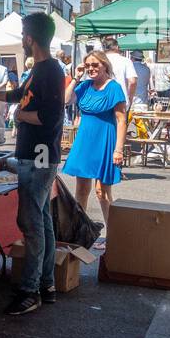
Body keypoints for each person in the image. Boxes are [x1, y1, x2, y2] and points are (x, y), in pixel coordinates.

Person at [0, 12, 65, 316]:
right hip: (35, 154)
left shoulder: (51, 71)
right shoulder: (40, 70)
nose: (22, 40)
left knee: (30, 222)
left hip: (41, 154)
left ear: (30, 38)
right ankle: (46, 284)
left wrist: (19, 116)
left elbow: (50, 116)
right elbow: (20, 93)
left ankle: (30, 290)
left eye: (22, 36)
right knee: (41, 218)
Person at [62, 51, 127, 237]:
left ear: (105, 65)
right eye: (88, 65)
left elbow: (122, 120)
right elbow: (66, 100)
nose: (91, 69)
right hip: (84, 140)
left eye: (95, 65)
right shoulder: (84, 86)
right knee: (81, 189)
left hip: (105, 140)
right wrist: (76, 76)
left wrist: (118, 149)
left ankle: (112, 236)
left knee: (102, 192)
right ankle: (79, 232)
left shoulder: (114, 87)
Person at [102, 36, 137, 107]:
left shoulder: (99, 60)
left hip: (102, 100)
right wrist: (129, 98)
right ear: (117, 47)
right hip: (121, 101)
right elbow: (133, 81)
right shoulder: (126, 61)